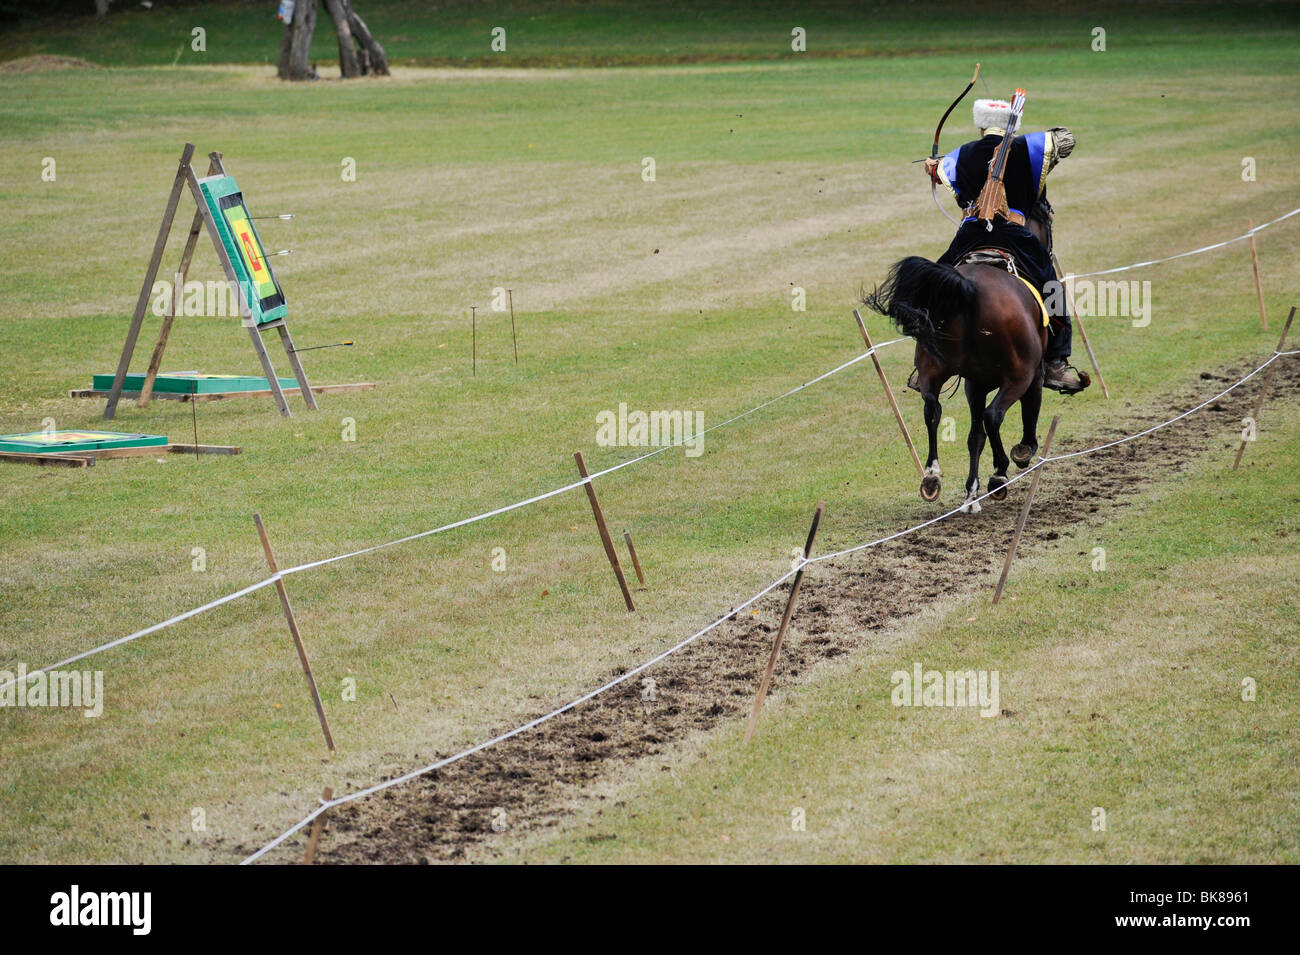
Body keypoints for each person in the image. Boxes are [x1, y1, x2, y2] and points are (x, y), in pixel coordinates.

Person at [911, 96, 1086, 394]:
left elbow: (941, 172)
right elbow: (1066, 139)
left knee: (934, 287)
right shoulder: (1029, 148)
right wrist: (1040, 141)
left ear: (980, 126)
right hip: (1015, 236)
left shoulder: (961, 155)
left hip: (971, 236)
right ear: (1011, 125)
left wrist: (934, 166)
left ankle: (927, 362)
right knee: (1052, 287)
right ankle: (1056, 362)